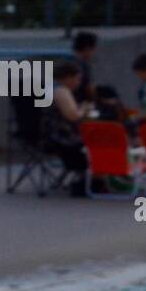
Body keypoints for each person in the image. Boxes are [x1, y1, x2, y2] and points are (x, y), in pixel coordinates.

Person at [44, 61, 92, 196]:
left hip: (53, 136)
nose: (78, 82)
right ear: (68, 78)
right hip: (65, 139)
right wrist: (84, 109)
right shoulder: (61, 92)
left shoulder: (51, 88)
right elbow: (73, 116)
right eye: (77, 79)